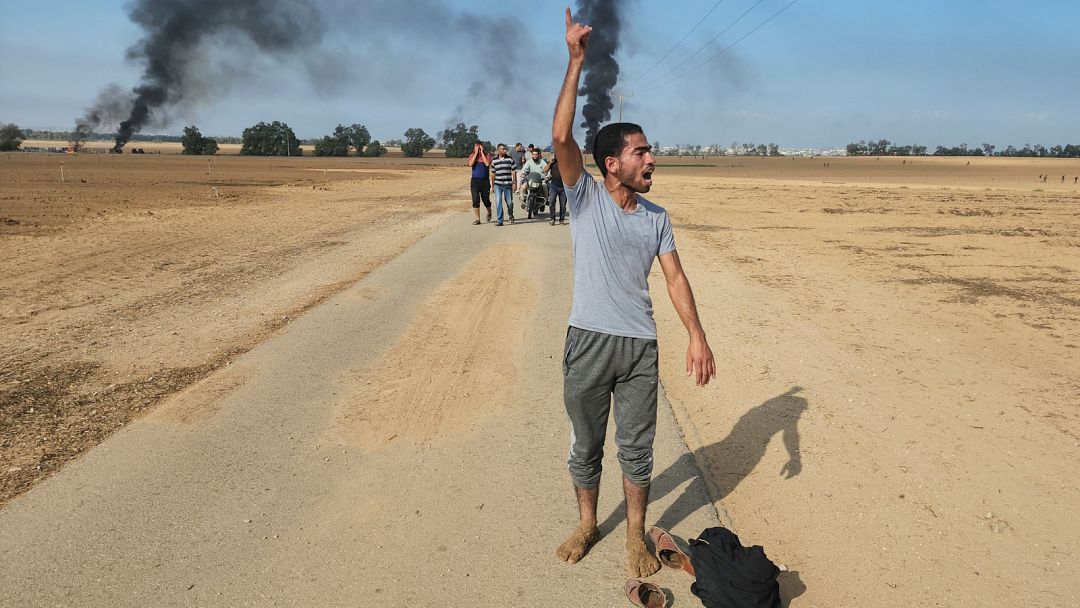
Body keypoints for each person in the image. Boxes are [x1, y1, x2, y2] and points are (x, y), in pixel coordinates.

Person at [552, 8, 716, 579]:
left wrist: (696, 334)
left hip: (640, 347)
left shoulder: (656, 217)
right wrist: (575, 63)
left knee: (638, 450)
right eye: (642, 152)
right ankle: (586, 522)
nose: (652, 159)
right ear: (612, 163)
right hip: (589, 341)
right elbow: (559, 137)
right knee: (586, 444)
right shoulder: (585, 199)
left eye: (651, 150)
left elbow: (674, 277)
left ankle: (633, 540)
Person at [490, 143, 517, 226]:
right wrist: (493, 185)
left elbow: (513, 171)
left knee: (509, 202)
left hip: (508, 184)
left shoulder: (510, 159)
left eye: (505, 149)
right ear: (498, 150)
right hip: (498, 184)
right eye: (502, 149)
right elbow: (493, 173)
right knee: (498, 202)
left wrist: (514, 183)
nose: (504, 150)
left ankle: (510, 215)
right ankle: (500, 220)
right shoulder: (494, 161)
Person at [467, 141, 492, 224]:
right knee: (475, 200)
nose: (477, 148)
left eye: (479, 146)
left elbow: (487, 164)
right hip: (475, 181)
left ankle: (489, 212)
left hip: (485, 181)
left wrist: (481, 152)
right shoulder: (471, 155)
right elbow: (470, 164)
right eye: (476, 146)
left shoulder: (487, 155)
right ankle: (478, 219)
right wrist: (476, 153)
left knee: (486, 200)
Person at [518, 147, 549, 211]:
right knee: (523, 187)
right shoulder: (529, 162)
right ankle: (523, 200)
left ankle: (545, 201)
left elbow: (547, 169)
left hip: (540, 180)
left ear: (539, 155)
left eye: (536, 154)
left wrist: (548, 176)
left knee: (545, 186)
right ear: (532, 155)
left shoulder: (542, 162)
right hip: (530, 180)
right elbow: (524, 169)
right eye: (533, 154)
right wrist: (523, 173)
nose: (535, 156)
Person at [545, 150, 567, 225]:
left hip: (564, 187)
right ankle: (552, 219)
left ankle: (561, 220)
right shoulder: (552, 162)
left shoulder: (565, 162)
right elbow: (545, 170)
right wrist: (550, 162)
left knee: (563, 205)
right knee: (551, 202)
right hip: (553, 186)